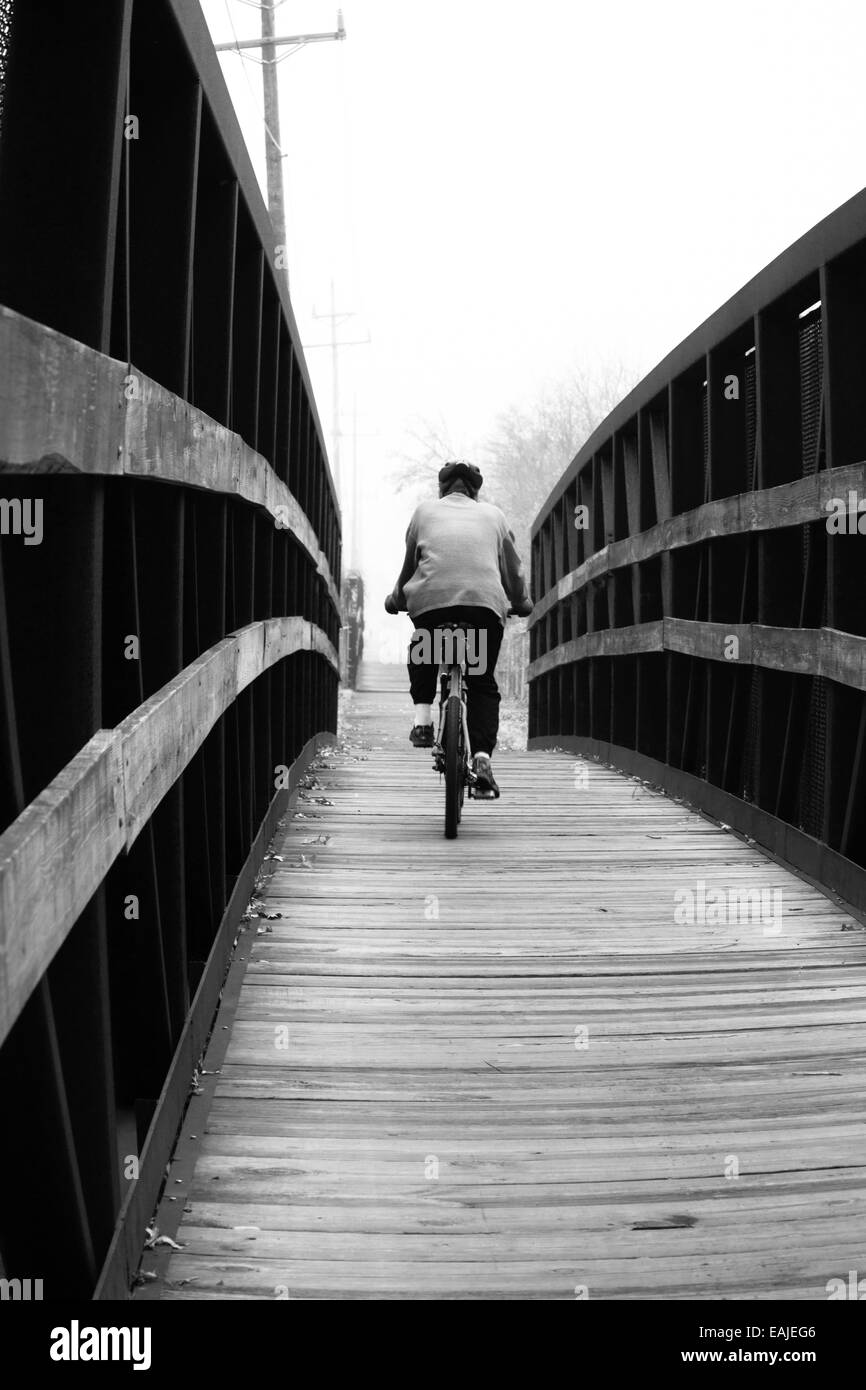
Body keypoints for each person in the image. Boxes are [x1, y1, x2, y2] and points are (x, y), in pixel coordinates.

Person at [384, 460, 533, 798]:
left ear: (442, 489)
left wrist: (396, 600)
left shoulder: (423, 513)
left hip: (431, 606)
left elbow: (410, 566)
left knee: (424, 649)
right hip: (482, 609)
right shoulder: (494, 516)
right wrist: (521, 602)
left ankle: (423, 722)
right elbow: (512, 571)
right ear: (475, 492)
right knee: (481, 682)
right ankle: (481, 759)